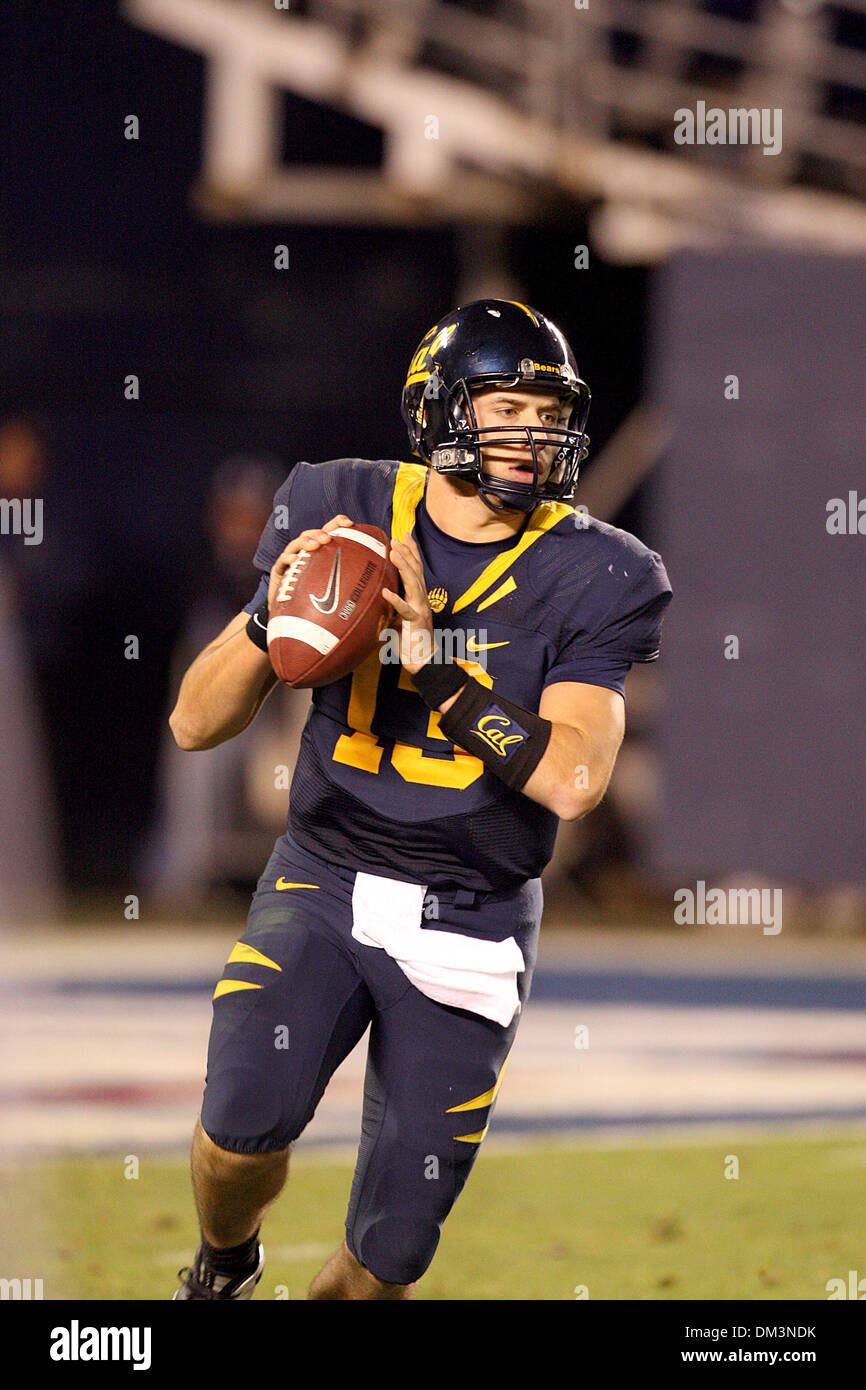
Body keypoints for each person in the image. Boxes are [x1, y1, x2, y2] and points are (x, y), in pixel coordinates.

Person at [168, 299, 672, 1300]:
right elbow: (194, 720)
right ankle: (224, 1265)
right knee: (237, 1132)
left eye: (546, 411)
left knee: (392, 1250)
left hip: (471, 916)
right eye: (506, 408)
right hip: (324, 874)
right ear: (438, 411)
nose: (533, 434)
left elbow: (571, 777)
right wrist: (274, 614)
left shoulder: (603, 570)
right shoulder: (335, 499)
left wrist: (434, 671)